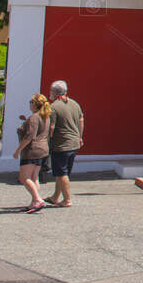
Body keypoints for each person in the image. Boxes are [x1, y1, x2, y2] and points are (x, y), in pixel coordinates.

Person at [46, 80, 84, 208]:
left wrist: (47, 140)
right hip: (74, 142)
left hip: (61, 143)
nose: (49, 93)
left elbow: (51, 127)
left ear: (55, 92)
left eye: (51, 91)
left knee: (62, 172)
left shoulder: (54, 107)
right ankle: (56, 196)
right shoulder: (74, 104)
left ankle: (67, 199)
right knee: (61, 171)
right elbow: (81, 120)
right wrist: (80, 136)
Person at [15, 93, 53, 214]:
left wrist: (18, 150)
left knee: (24, 177)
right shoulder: (46, 116)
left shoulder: (34, 118)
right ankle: (34, 201)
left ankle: (37, 200)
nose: (29, 104)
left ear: (34, 104)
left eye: (30, 102)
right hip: (43, 149)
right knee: (34, 177)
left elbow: (29, 136)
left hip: (32, 150)